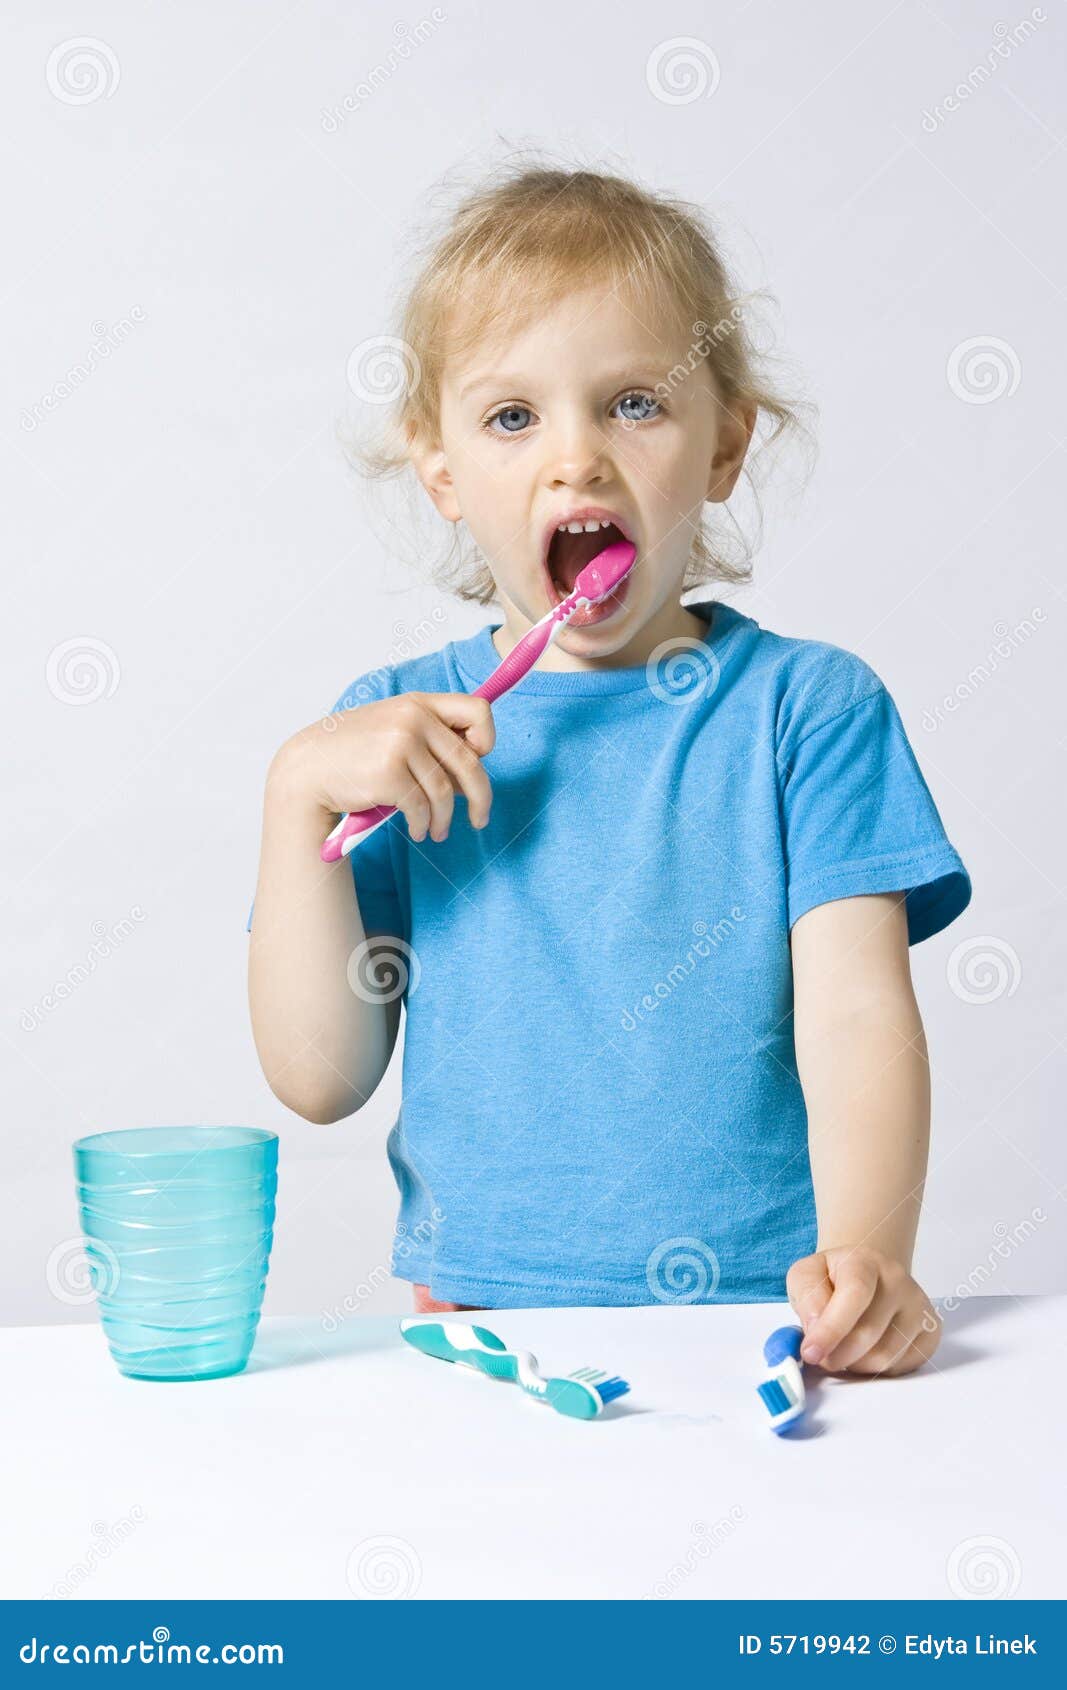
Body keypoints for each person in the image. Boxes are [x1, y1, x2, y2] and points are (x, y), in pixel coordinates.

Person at [247, 159, 971, 1377]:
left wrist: (863, 1257)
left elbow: (854, 1015)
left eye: (634, 403)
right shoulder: (386, 730)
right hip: (478, 1327)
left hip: (761, 1322)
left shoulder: (808, 711)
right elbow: (320, 1078)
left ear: (724, 444)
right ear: (440, 474)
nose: (573, 459)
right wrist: (293, 795)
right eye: (511, 417)